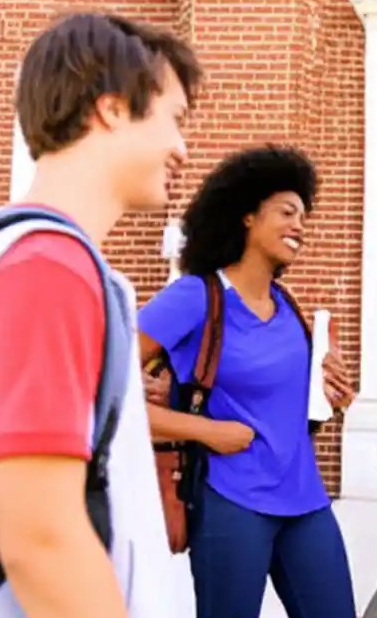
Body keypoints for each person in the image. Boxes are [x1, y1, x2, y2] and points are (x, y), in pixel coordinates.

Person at [0, 12, 202, 616]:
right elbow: (42, 541)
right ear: (111, 109)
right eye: (173, 119)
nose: (181, 148)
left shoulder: (13, 256)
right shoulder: (46, 270)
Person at [137, 145, 357, 618]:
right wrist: (206, 430)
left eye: (304, 215)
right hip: (230, 500)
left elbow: (290, 406)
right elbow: (102, 385)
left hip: (304, 497)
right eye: (286, 211)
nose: (300, 225)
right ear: (246, 217)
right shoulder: (197, 296)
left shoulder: (289, 308)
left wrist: (332, 396)